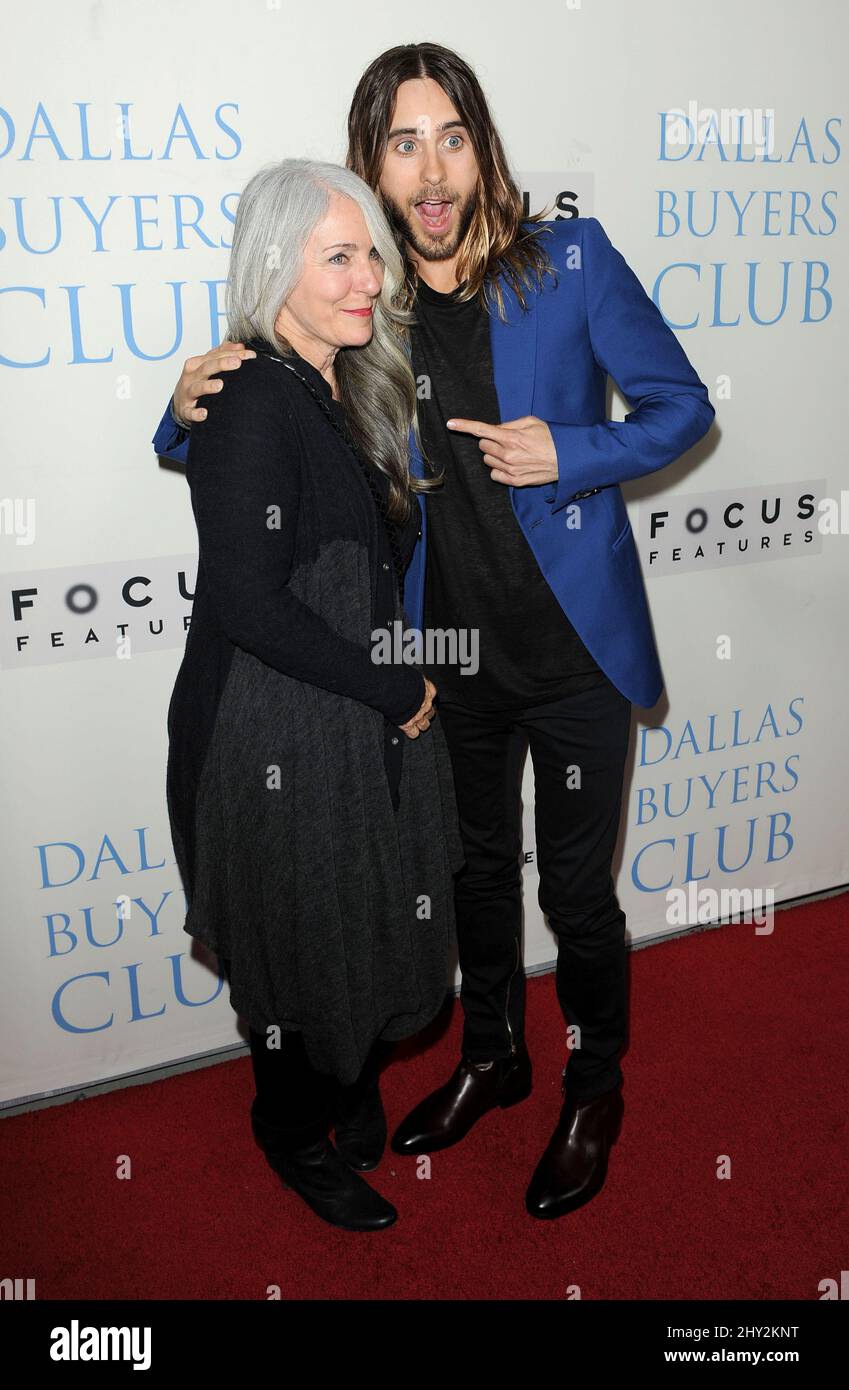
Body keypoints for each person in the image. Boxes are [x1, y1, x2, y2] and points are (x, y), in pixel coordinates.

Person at [155, 43, 715, 1221]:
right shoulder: (369, 302)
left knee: (576, 893)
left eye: (449, 132)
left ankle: (592, 1088)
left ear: (482, 144)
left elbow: (683, 405)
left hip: (570, 657)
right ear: (374, 168)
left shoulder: (569, 264)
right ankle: (494, 1058)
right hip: (436, 661)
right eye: (402, 142)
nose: (432, 165)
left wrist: (577, 451)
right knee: (465, 877)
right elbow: (247, 426)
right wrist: (180, 402)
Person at [163, 156, 464, 1233]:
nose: (368, 279)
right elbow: (246, 598)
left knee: (368, 924)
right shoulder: (249, 396)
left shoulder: (352, 380)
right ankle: (293, 1131)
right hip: (274, 728)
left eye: (370, 255)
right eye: (338, 257)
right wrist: (392, 686)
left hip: (349, 710)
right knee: (303, 948)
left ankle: (348, 1078)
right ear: (272, 269)